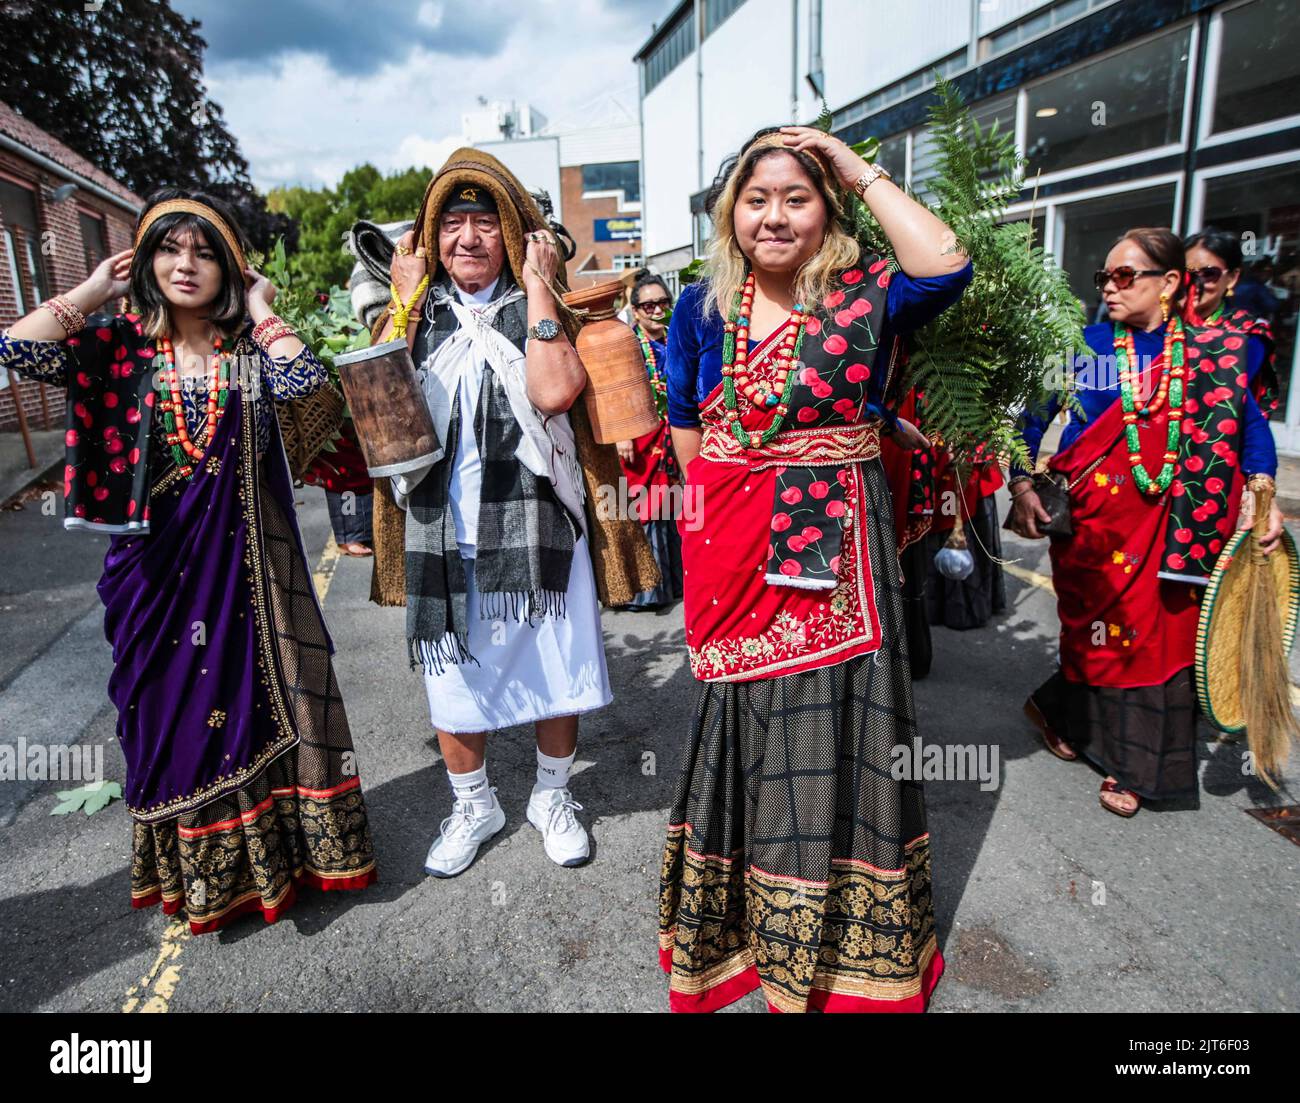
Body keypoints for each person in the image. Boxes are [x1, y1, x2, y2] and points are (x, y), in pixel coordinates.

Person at [0, 189, 377, 932]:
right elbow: (18, 347)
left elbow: (310, 389)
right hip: (152, 584)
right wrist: (90, 289)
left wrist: (263, 307)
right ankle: (204, 874)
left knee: (255, 704)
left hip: (245, 576)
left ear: (229, 270)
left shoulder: (247, 356)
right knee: (168, 721)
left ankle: (279, 862)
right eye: (170, 250)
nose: (185, 265)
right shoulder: (121, 349)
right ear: (144, 263)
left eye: (205, 253)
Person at [658, 125, 972, 1013]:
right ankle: (738, 933)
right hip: (733, 547)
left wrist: (851, 163)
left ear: (828, 210)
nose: (774, 215)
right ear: (731, 212)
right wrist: (727, 521)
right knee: (743, 723)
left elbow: (946, 265)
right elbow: (688, 430)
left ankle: (834, 946)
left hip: (836, 549)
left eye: (798, 196)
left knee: (826, 726)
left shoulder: (865, 293)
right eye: (757, 198)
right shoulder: (699, 306)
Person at [375, 150, 613, 877]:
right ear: (431, 238)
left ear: (509, 231)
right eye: (452, 225)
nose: (468, 239)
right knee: (453, 679)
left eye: (484, 222)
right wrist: (405, 300)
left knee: (556, 663)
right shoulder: (417, 311)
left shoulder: (537, 303)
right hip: (443, 530)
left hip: (538, 521)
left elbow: (552, 393)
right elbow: (378, 411)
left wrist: (541, 288)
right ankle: (475, 803)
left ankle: (550, 795)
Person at [1011, 227, 1283, 818]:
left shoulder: (1212, 352)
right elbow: (1032, 419)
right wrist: (1023, 481)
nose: (1109, 287)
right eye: (1103, 277)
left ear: (1168, 283)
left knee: (1162, 642)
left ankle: (1131, 764)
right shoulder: (1083, 348)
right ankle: (1061, 711)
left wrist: (1266, 493)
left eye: (1124, 276)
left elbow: (1251, 427)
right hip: (1094, 527)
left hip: (1180, 527)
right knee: (1096, 637)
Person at [613, 271, 683, 609]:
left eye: (663, 303)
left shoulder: (677, 338)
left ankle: (675, 584)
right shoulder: (625, 342)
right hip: (639, 438)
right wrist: (622, 432)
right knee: (645, 507)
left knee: (677, 505)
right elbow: (611, 390)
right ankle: (645, 591)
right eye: (649, 305)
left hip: (675, 432)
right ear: (636, 310)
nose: (657, 311)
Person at [1184, 226, 1279, 419]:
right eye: (1188, 274)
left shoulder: (1247, 335)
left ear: (1232, 278)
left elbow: (1224, 399)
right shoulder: (1161, 323)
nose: (1196, 283)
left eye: (1209, 274)